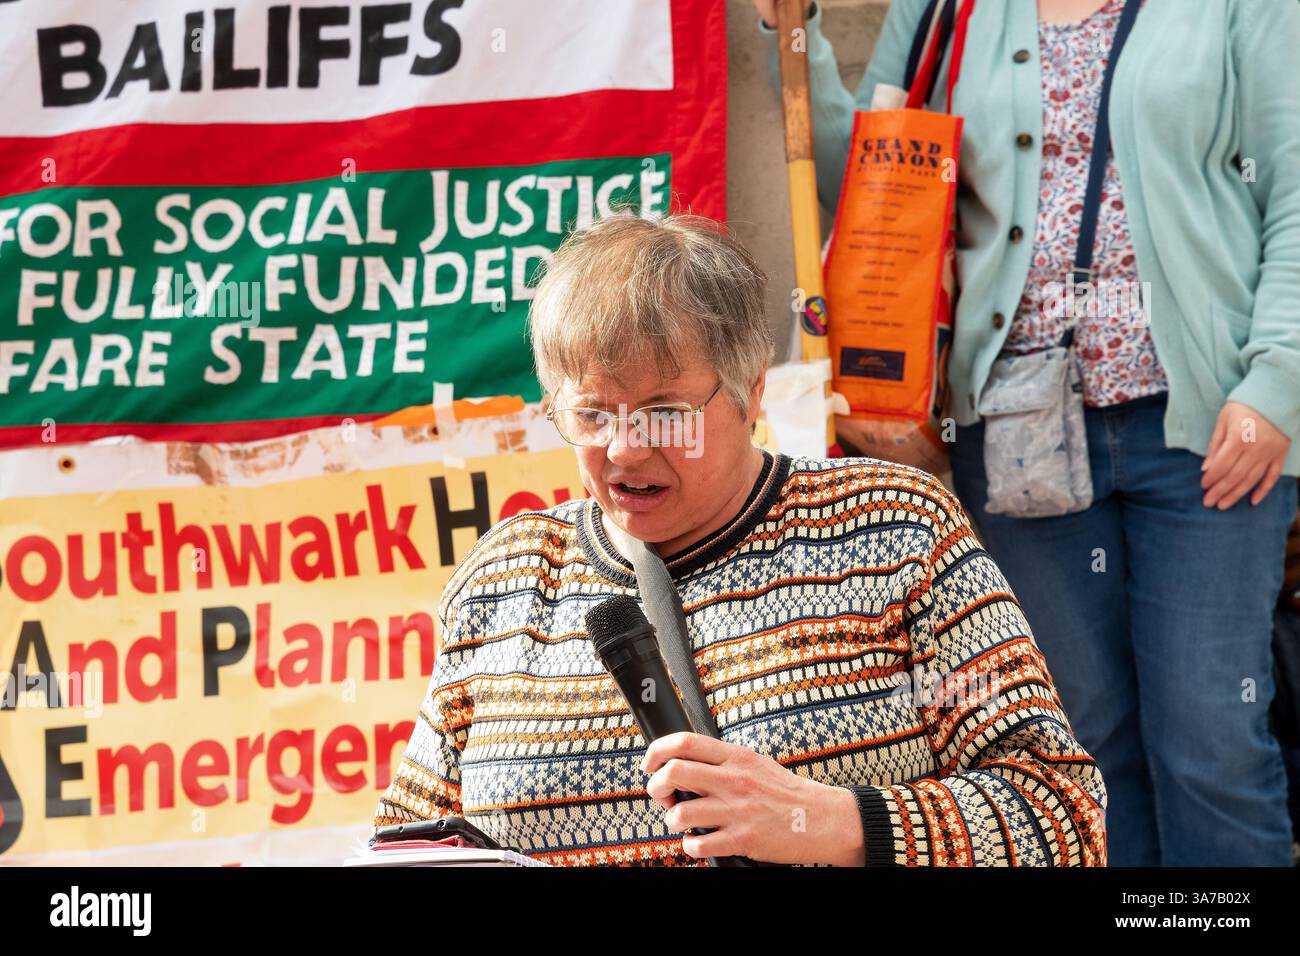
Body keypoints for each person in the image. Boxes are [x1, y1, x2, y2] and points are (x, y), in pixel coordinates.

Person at [372, 213, 1106, 866]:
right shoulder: (506, 576)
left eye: (663, 411)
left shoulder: (892, 528)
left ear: (751, 391)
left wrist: (837, 822)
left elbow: (1065, 819)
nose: (624, 450)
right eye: (592, 414)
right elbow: (407, 838)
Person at [753, 0, 1300, 865]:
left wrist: (1279, 380)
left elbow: (1296, 190)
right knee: (1080, 745)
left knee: (1212, 745)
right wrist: (800, 35)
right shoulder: (945, 9)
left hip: (1203, 434)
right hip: (1016, 433)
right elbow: (869, 183)